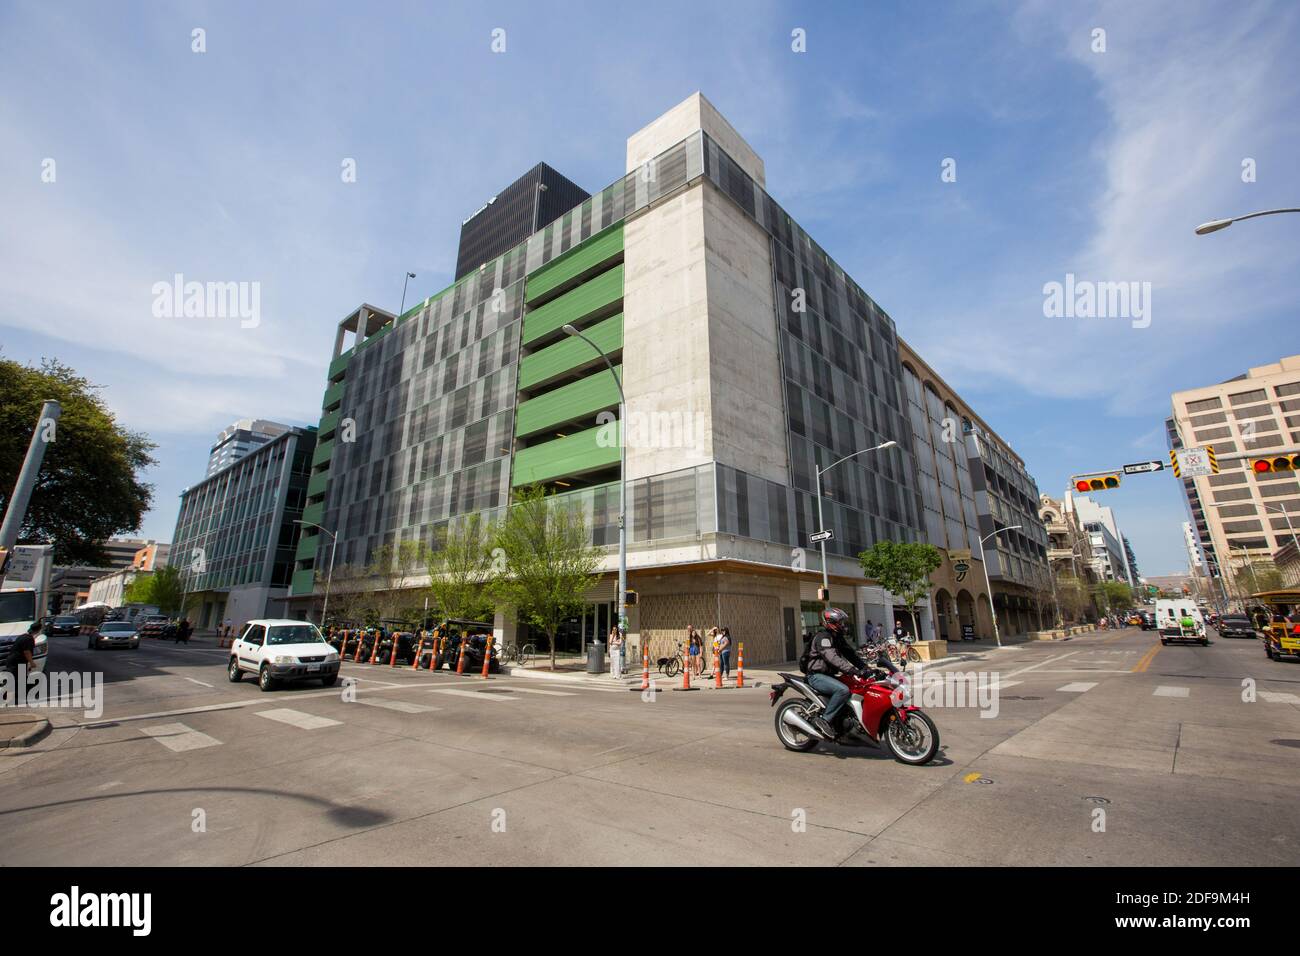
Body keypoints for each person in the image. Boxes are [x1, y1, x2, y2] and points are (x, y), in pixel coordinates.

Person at [807, 608, 880, 738]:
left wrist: (867, 669)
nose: (842, 625)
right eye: (839, 622)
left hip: (829, 675)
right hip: (816, 676)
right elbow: (832, 658)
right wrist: (852, 670)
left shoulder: (837, 637)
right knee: (843, 690)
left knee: (858, 687)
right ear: (830, 622)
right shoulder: (823, 637)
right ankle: (824, 720)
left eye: (842, 622)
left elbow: (850, 654)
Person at [3, 620, 42, 701]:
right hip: (16, 662)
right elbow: (26, 652)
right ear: (38, 630)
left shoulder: (23, 636)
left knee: (20, 679)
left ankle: (16, 697)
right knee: (13, 680)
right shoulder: (29, 639)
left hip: (14, 661)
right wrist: (32, 663)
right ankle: (8, 700)